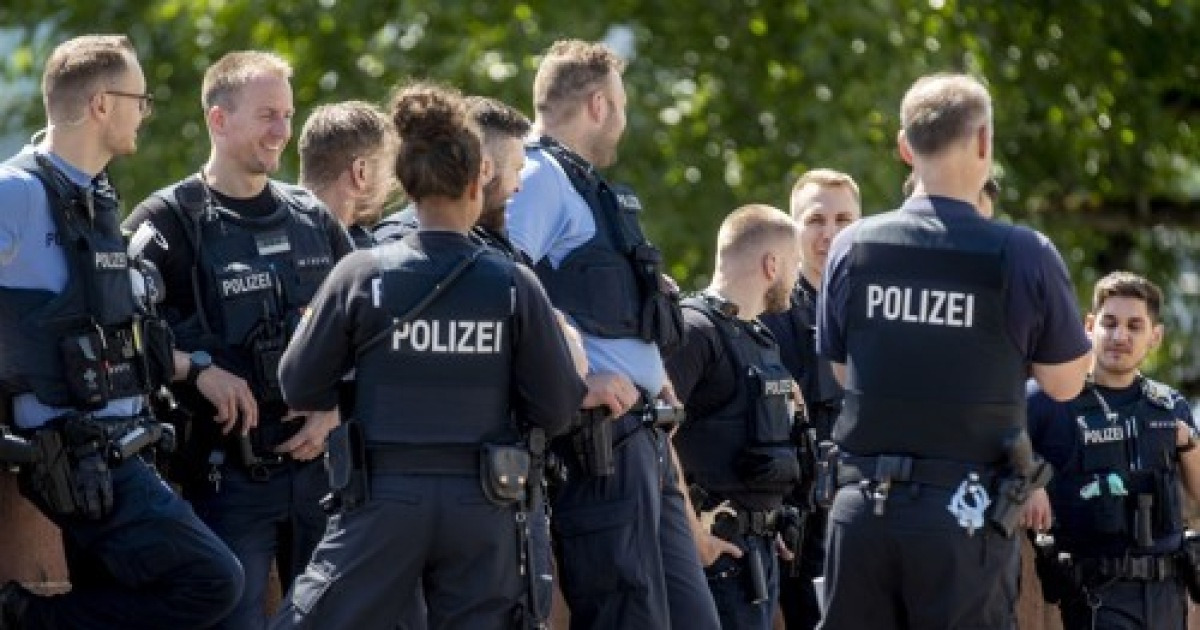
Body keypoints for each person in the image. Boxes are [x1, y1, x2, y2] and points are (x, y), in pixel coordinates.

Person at [269, 82, 589, 630]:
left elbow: (299, 386)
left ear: (408, 186)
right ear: (476, 180)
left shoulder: (360, 274)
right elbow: (558, 408)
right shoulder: (514, 284)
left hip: (379, 507)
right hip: (485, 510)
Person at [815, 73, 1092, 630]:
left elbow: (844, 372)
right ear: (984, 142)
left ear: (904, 147)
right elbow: (1066, 384)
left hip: (861, 514)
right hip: (964, 520)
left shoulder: (853, 245)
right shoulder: (1023, 252)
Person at [0, 34, 242, 629]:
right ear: (102, 104)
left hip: (116, 448)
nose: (145, 112)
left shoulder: (94, 197)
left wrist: (196, 368)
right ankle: (24, 617)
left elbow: (113, 329)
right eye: (140, 98)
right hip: (73, 455)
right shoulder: (17, 193)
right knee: (214, 582)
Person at [121, 51, 354, 630]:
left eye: (288, 115)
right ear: (218, 121)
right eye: (267, 115)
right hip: (226, 481)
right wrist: (195, 368)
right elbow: (115, 339)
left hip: (321, 474)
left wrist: (335, 406)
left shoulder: (315, 219)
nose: (283, 132)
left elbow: (371, 335)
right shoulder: (167, 224)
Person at [506, 39, 720, 629]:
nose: (624, 122)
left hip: (646, 437)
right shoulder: (541, 173)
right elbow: (502, 281)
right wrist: (575, 380)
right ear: (599, 104)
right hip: (601, 446)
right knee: (629, 617)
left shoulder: (587, 185)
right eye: (621, 107)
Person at [1024, 272, 1200, 630]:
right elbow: (994, 439)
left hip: (1167, 592)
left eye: (1135, 326)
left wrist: (1189, 443)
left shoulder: (1170, 406)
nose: (1120, 336)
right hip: (1096, 593)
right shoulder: (1049, 399)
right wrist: (1030, 477)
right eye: (1110, 323)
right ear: (1090, 326)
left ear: (1155, 336)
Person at [668, 204, 803, 629]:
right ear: (772, 264)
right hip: (713, 556)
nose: (797, 278)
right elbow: (652, 436)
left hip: (756, 555)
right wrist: (694, 535)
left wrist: (769, 520)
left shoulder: (758, 337)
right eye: (794, 265)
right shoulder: (694, 331)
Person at [758, 169, 860, 630]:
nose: (830, 232)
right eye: (816, 219)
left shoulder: (879, 311)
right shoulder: (762, 313)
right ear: (792, 227)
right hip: (793, 516)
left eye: (844, 218)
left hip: (866, 510)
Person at [298, 100, 397, 248]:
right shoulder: (373, 261)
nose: (390, 184)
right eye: (387, 171)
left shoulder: (262, 232)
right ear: (360, 172)